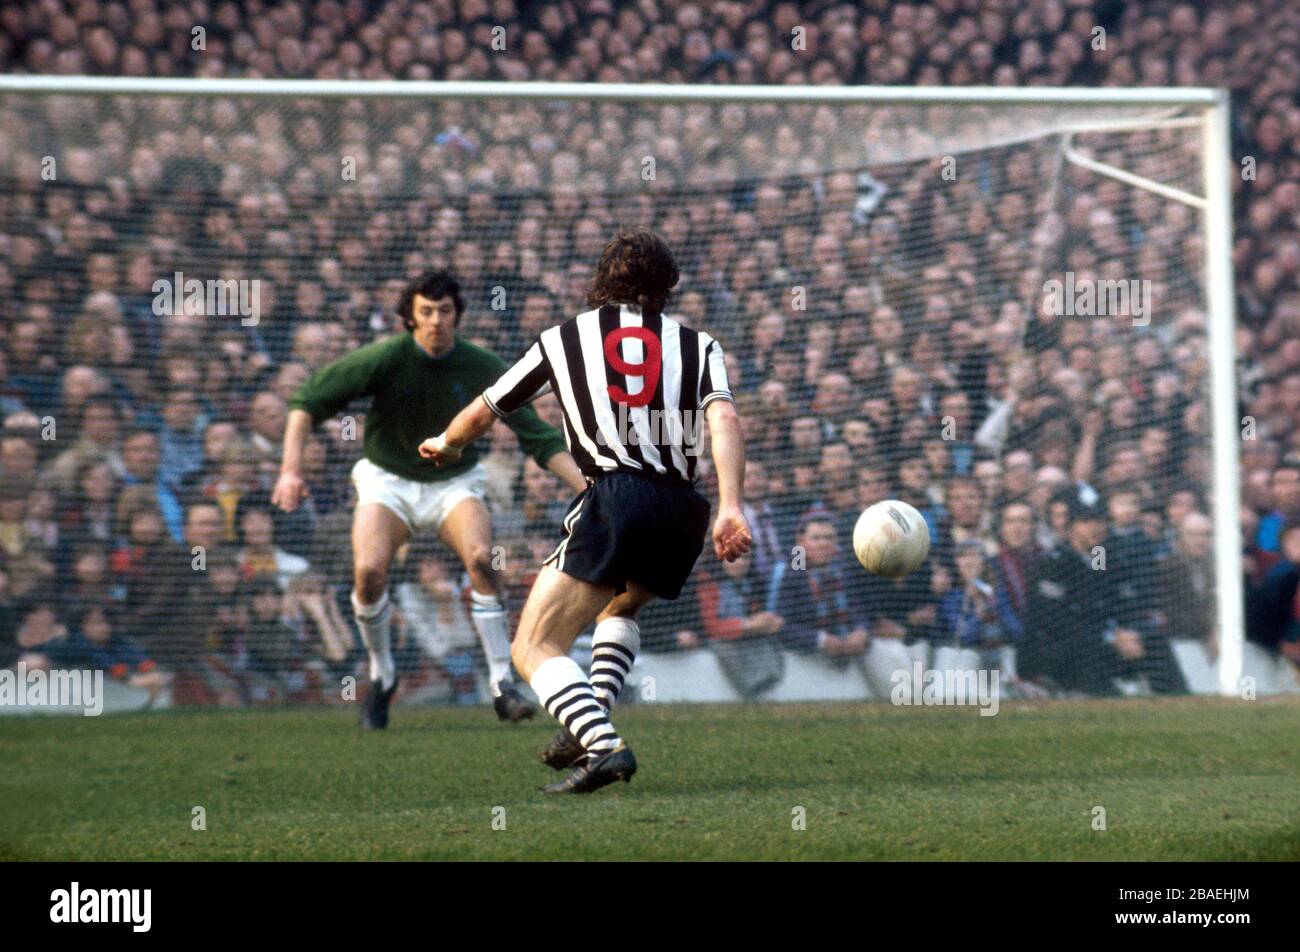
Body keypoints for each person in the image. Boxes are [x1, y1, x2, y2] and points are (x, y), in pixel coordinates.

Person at [420, 229, 752, 793]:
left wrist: (447, 443)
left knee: (532, 646)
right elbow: (725, 421)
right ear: (667, 288)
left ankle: (603, 745)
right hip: (683, 511)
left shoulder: (563, 339)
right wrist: (730, 507)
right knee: (620, 608)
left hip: (619, 497)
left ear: (600, 283)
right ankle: (590, 714)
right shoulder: (701, 345)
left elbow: (485, 411)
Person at [273, 270, 588, 729]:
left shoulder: (481, 364)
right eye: (426, 311)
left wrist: (588, 488)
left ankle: (502, 681)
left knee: (482, 559)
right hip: (387, 480)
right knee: (368, 572)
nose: (436, 320)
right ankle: (383, 674)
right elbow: (306, 402)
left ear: (457, 315)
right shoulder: (384, 358)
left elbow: (536, 436)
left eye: (445, 311)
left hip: (454, 480)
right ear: (409, 317)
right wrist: (290, 471)